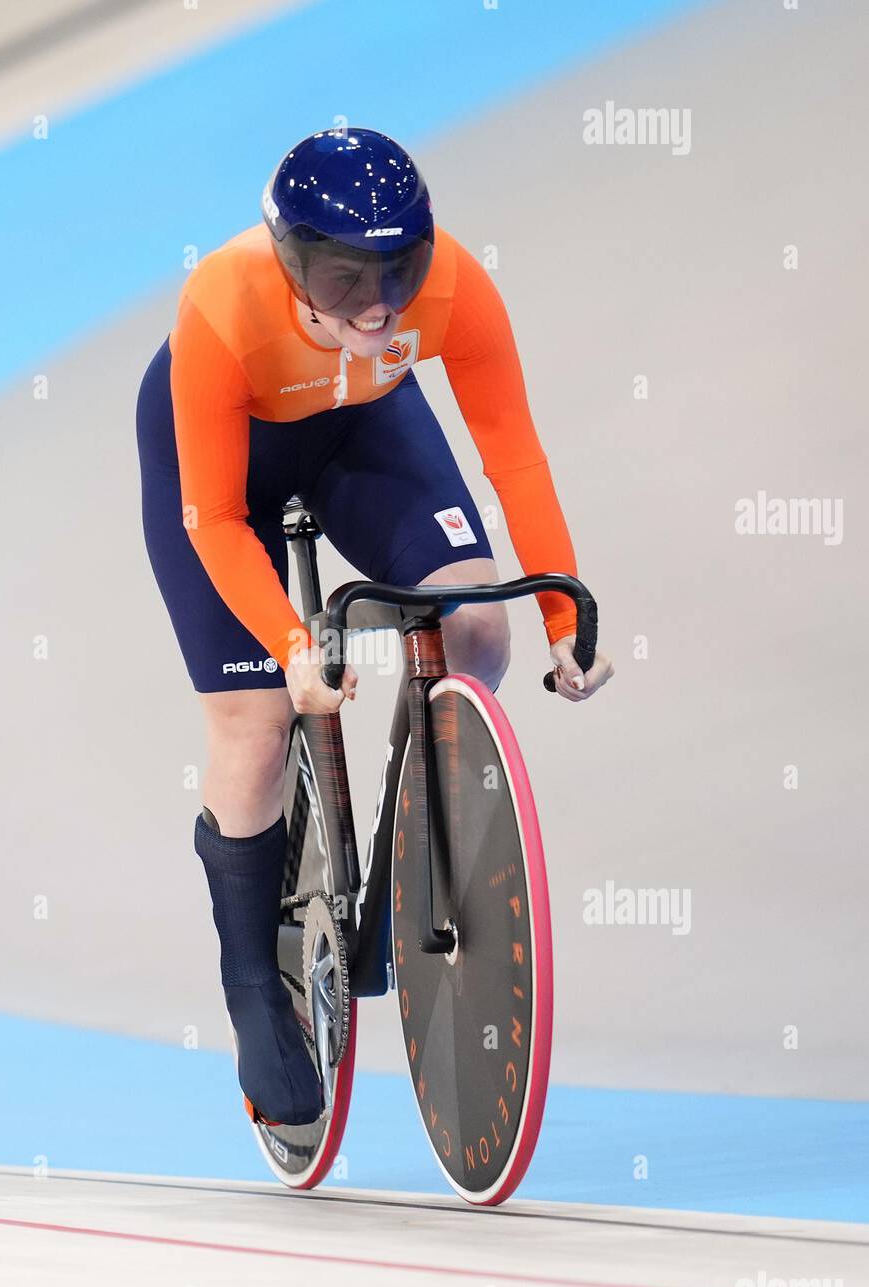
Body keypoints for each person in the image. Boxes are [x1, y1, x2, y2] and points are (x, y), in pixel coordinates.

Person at [137, 127, 613, 1126]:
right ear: (289, 261)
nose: (376, 301)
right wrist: (294, 645)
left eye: (398, 268)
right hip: (231, 469)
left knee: (477, 626)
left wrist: (564, 612)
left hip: (363, 423)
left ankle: (415, 837)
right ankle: (252, 989)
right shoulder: (223, 307)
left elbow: (513, 456)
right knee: (260, 722)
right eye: (343, 274)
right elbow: (216, 522)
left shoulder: (455, 289)